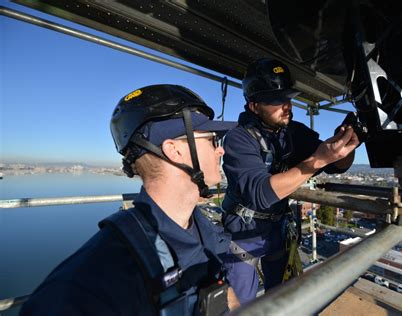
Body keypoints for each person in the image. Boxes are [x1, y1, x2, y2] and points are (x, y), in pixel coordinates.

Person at [20, 84, 240, 315]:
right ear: (175, 151)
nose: (220, 150)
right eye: (212, 140)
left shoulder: (201, 229)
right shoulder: (96, 281)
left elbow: (220, 290)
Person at [221, 58, 360, 304]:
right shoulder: (238, 139)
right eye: (276, 100)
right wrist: (320, 158)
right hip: (244, 231)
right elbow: (261, 193)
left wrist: (345, 144)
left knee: (284, 300)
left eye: (287, 98)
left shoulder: (293, 132)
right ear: (254, 106)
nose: (286, 106)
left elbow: (336, 165)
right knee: (239, 306)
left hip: (279, 227)